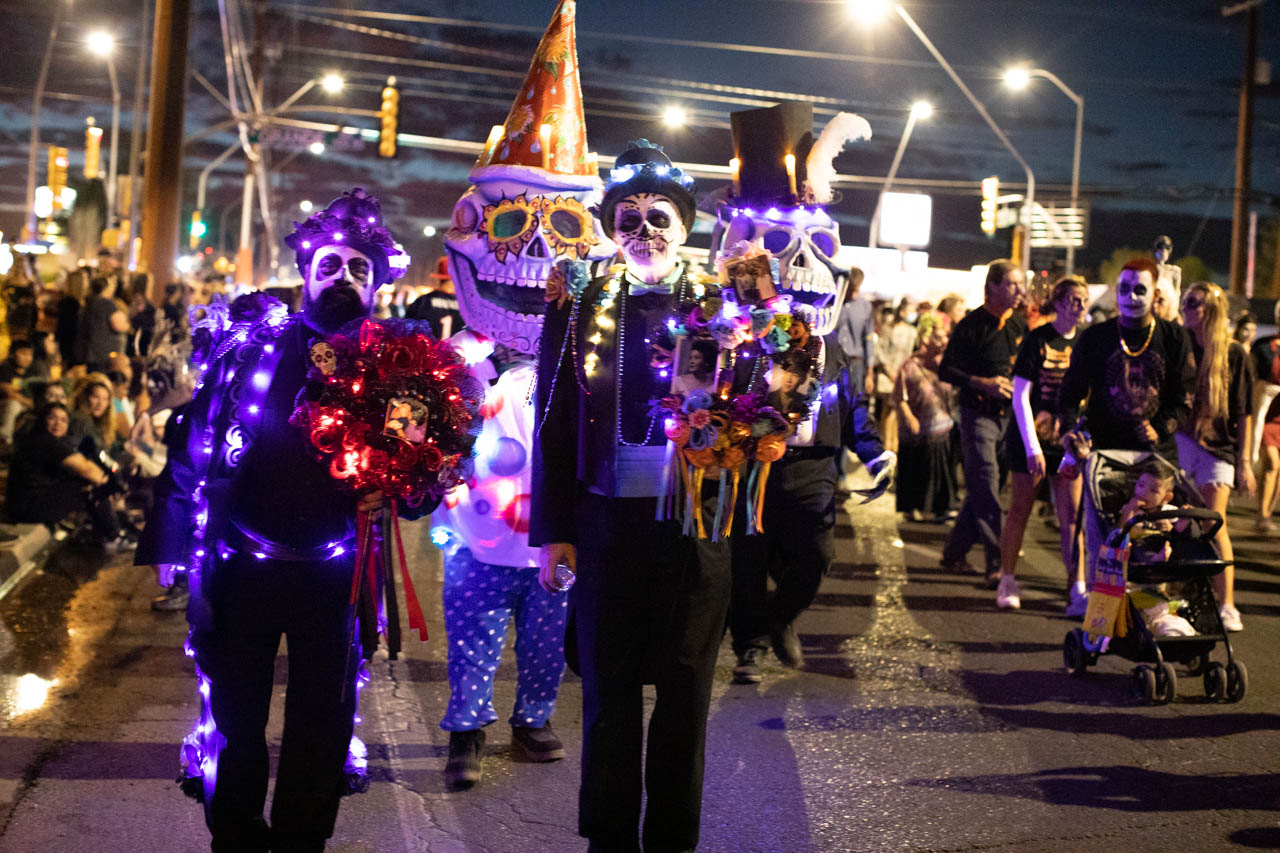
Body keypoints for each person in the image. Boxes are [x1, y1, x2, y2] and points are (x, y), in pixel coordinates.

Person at [137, 189, 424, 853]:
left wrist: (399, 493)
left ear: (377, 285)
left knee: (321, 725)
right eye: (330, 265)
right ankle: (235, 837)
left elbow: (417, 469)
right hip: (243, 570)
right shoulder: (250, 351)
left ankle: (301, 840)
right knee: (236, 721)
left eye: (359, 269)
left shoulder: (396, 373)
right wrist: (170, 541)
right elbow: (192, 445)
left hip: (338, 576)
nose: (343, 278)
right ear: (306, 273)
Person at [532, 140, 731, 853]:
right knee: (609, 700)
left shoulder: (720, 306)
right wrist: (554, 527)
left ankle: (672, 840)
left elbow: (757, 413)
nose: (643, 231)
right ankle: (609, 839)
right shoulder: (580, 300)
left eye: (659, 217)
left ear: (684, 227)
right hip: (606, 525)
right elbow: (551, 418)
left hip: (693, 535)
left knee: (683, 698)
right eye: (629, 216)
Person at [995, 277, 1091, 612]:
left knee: (1072, 515)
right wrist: (1033, 446)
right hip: (1030, 438)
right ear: (1060, 302)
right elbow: (1021, 395)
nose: (1079, 306)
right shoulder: (1038, 338)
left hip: (1069, 441)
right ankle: (1007, 579)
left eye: (1084, 300)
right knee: (1021, 508)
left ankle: (1076, 586)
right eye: (1074, 300)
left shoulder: (1086, 342)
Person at [938, 259, 1027, 587]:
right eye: (1013, 285)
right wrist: (981, 382)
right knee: (988, 485)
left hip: (1010, 418)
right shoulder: (971, 325)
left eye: (1021, 285)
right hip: (977, 416)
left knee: (983, 486)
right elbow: (946, 370)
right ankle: (997, 564)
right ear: (992, 288)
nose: (1020, 292)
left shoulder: (1019, 325)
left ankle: (954, 552)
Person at [1176, 282, 1254, 632]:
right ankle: (1165, 597)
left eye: (1195, 302)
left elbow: (1244, 413)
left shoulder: (1235, 354)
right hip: (1181, 439)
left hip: (1218, 447)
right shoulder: (1180, 344)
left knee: (1213, 521)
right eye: (1186, 301)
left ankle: (1227, 604)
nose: (1188, 307)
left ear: (1212, 310)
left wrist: (1245, 464)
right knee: (1171, 519)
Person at [6, 402, 121, 545]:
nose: (57, 423)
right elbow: (89, 471)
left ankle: (105, 532)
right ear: (43, 420)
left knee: (91, 481)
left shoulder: (52, 441)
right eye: (52, 418)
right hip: (28, 509)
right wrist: (107, 483)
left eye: (63, 420)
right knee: (88, 483)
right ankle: (114, 536)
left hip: (26, 504)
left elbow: (88, 465)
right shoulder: (45, 441)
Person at [1119, 458, 1196, 637]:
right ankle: (1158, 557)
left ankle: (1163, 555)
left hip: (1165, 555)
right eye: (1141, 485)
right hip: (1138, 555)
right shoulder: (1131, 508)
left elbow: (1176, 536)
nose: (1143, 492)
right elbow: (1120, 531)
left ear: (1166, 496)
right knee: (1135, 542)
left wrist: (1171, 527)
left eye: (1153, 490)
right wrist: (1130, 512)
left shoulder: (1168, 510)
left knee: (1177, 538)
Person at [894, 321, 956, 523]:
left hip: (942, 426)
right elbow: (899, 397)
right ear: (924, 340)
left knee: (940, 471)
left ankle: (940, 509)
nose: (944, 341)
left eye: (945, 336)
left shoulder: (945, 364)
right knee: (916, 469)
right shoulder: (910, 367)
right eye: (938, 336)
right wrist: (909, 417)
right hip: (917, 430)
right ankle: (912, 508)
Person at [873, 297, 916, 454]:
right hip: (888, 374)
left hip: (901, 373)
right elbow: (880, 349)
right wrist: (888, 369)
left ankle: (892, 441)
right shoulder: (889, 328)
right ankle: (887, 441)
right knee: (888, 408)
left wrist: (902, 372)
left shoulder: (912, 331)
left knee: (896, 408)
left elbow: (909, 354)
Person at [1252, 302, 1280, 532]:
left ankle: (1268, 514)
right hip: (1266, 414)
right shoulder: (1263, 347)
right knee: (1271, 462)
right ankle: (1261, 513)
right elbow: (1250, 379)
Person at [835, 266, 875, 394]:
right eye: (850, 289)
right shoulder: (833, 303)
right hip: (835, 361)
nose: (853, 294)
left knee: (855, 404)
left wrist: (869, 374)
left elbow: (869, 339)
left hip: (856, 364)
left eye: (856, 289)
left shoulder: (865, 306)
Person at [77, 275, 129, 373]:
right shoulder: (106, 304)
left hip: (89, 352)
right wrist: (127, 324)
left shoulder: (88, 302)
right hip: (103, 355)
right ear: (106, 288)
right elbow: (119, 325)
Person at [405, 257, 464, 340]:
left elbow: (407, 330)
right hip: (458, 352)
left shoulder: (423, 301)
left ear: (439, 279)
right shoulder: (468, 306)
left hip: (428, 351)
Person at [0, 340, 36, 447]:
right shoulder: (5, 367)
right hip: (4, 404)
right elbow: (8, 392)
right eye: (23, 353)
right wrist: (27, 402)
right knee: (13, 405)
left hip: (21, 404)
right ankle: (4, 441)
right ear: (12, 354)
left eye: (30, 354)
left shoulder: (29, 372)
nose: (28, 358)